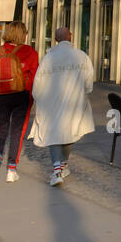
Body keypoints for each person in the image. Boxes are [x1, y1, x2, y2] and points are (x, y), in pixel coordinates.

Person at [31, 27, 96, 186]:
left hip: (51, 102)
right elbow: (89, 80)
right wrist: (84, 93)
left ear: (56, 39)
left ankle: (58, 169)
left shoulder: (49, 59)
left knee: (53, 133)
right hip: (74, 101)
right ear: (70, 37)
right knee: (71, 130)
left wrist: (38, 99)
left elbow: (38, 83)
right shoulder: (81, 56)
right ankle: (62, 165)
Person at [0, 21, 40, 184]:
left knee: (0, 128)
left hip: (2, 94)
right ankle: (11, 169)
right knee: (18, 130)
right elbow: (35, 77)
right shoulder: (30, 52)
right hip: (21, 95)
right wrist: (31, 97)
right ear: (23, 33)